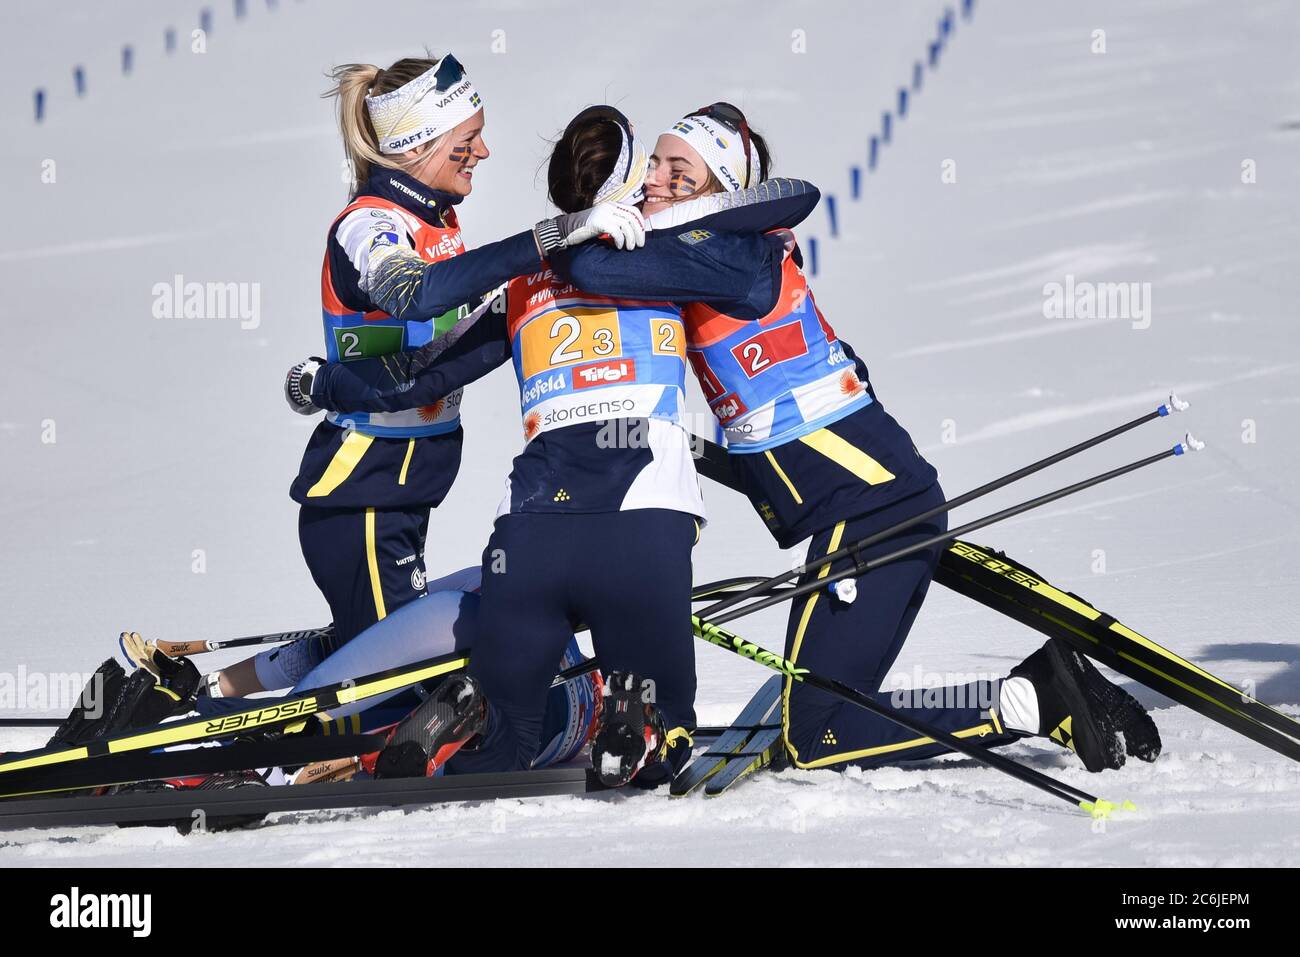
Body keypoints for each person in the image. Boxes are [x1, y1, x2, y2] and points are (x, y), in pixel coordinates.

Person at [206, 53, 646, 703]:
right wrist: (548, 239)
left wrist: (562, 274)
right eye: (468, 142)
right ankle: (279, 759)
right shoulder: (370, 225)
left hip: (407, 480)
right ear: (418, 145)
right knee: (394, 673)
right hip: (362, 488)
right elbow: (412, 294)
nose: (485, 152)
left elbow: (451, 353)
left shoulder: (439, 223)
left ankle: (214, 693)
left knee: (391, 635)